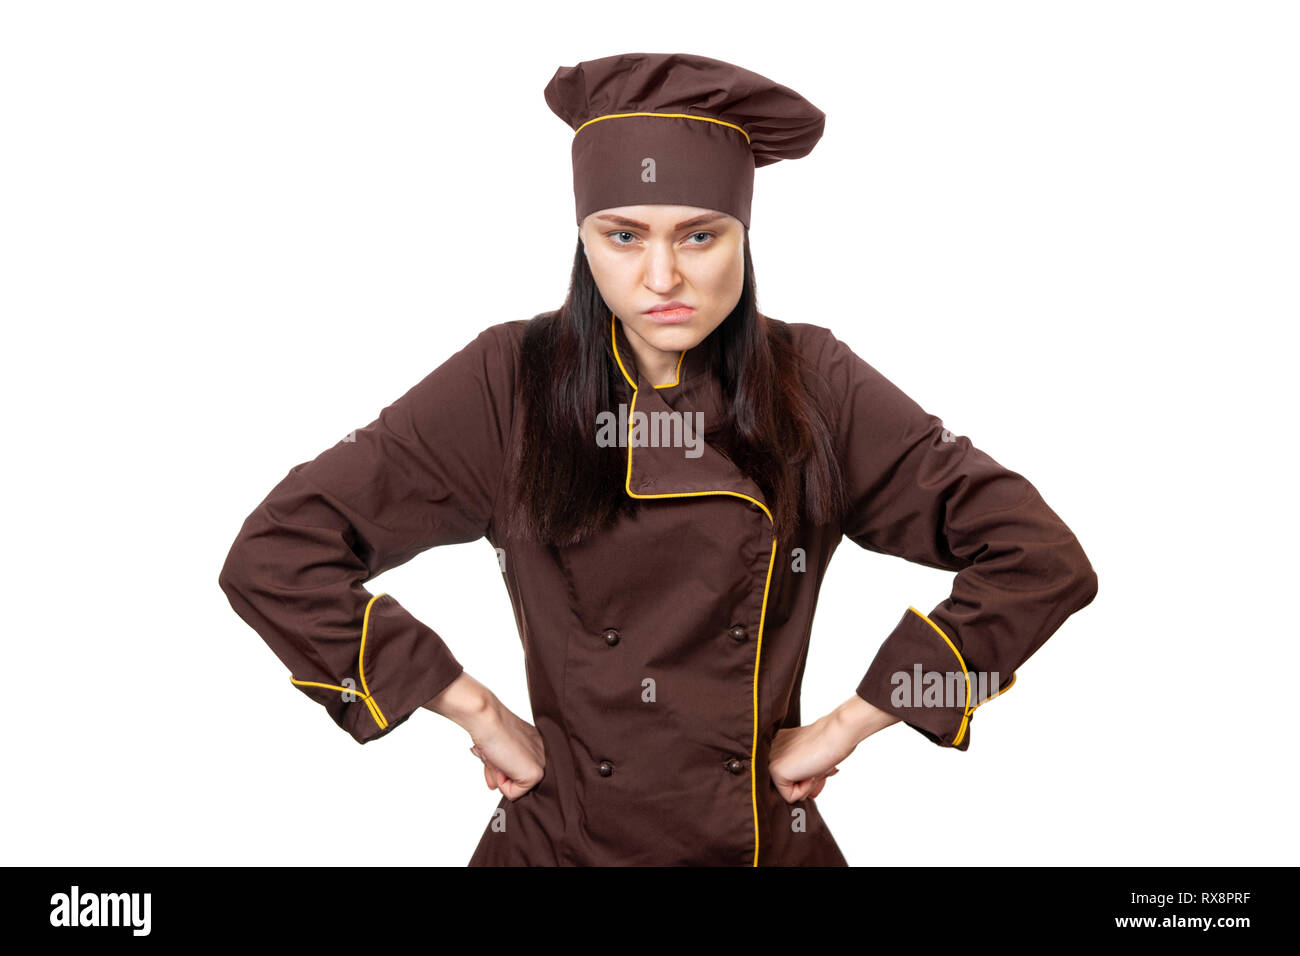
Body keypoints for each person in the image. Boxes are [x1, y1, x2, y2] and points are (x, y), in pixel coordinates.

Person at [218, 52, 1098, 866]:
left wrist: (852, 721)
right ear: (584, 240)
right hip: (557, 846)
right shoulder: (509, 382)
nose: (663, 278)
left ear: (745, 239)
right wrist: (469, 705)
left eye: (701, 236)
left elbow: (1038, 561)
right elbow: (277, 553)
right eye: (624, 235)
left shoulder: (815, 383)